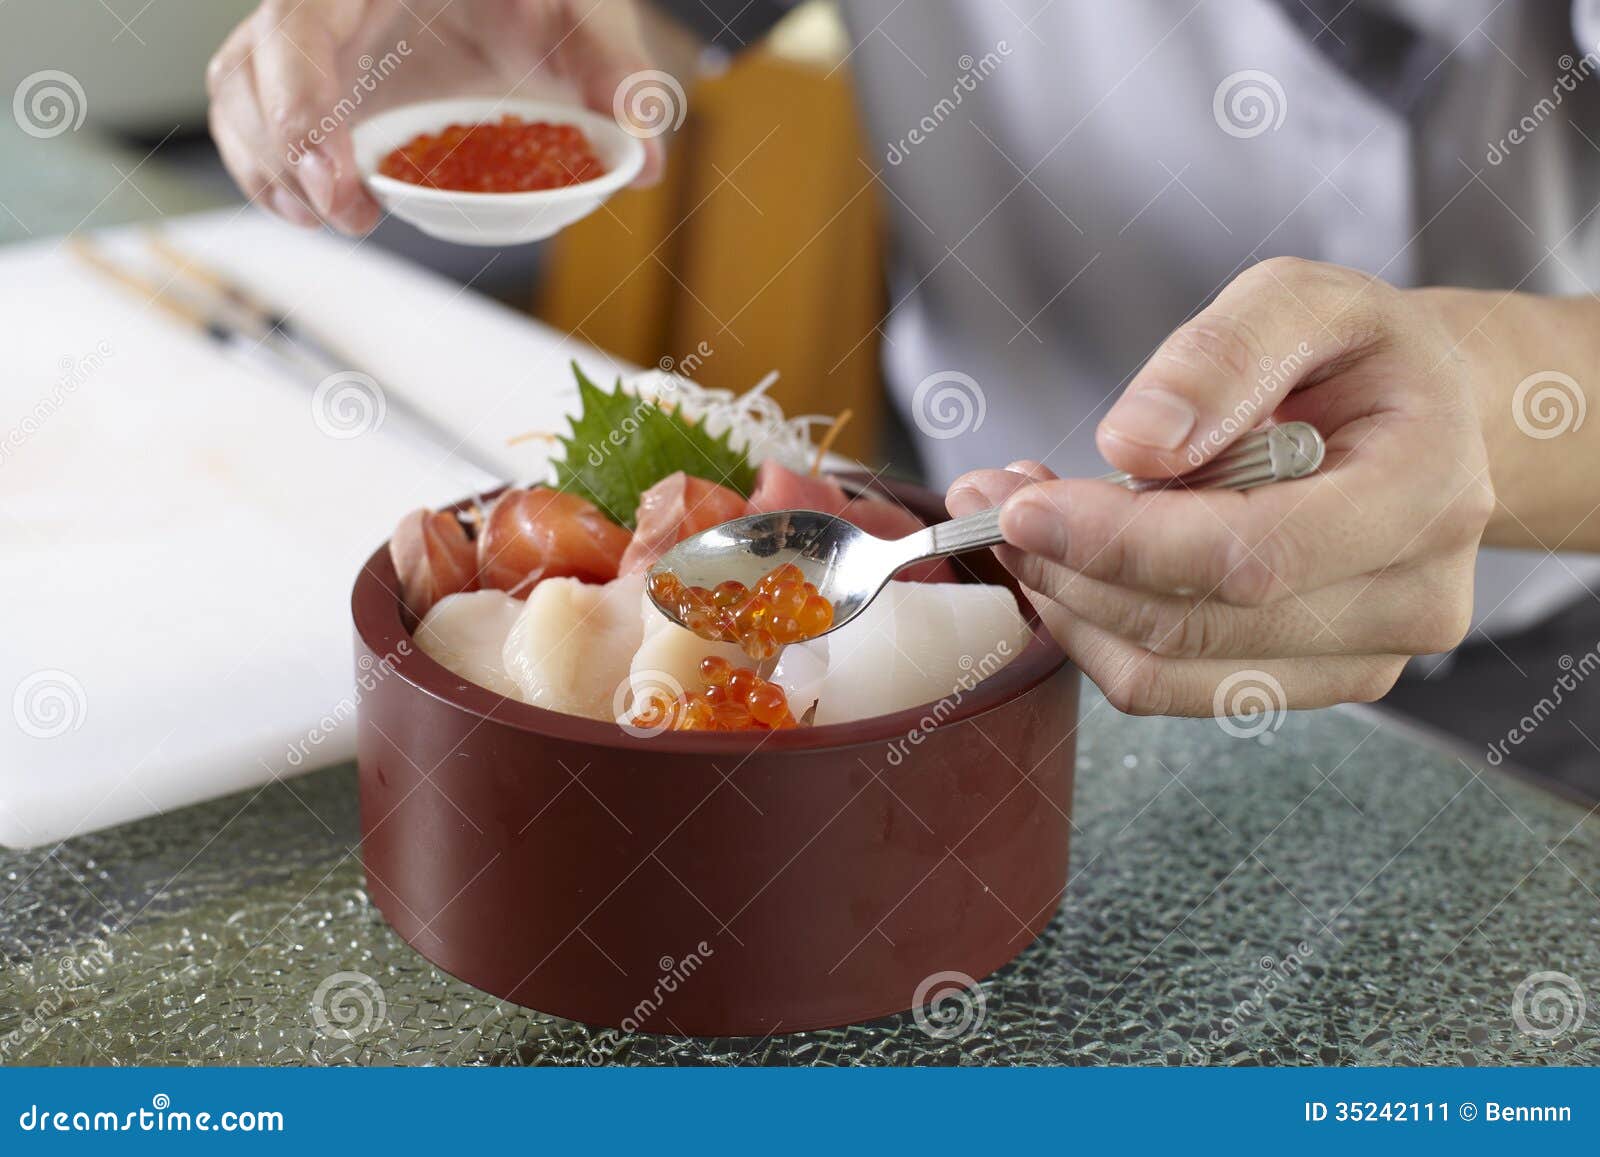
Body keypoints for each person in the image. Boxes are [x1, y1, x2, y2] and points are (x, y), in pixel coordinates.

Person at [207, 0, 1600, 789]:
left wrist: (1480, 400)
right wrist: (498, 38)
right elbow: (630, 22)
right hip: (963, 610)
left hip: (1510, 671)